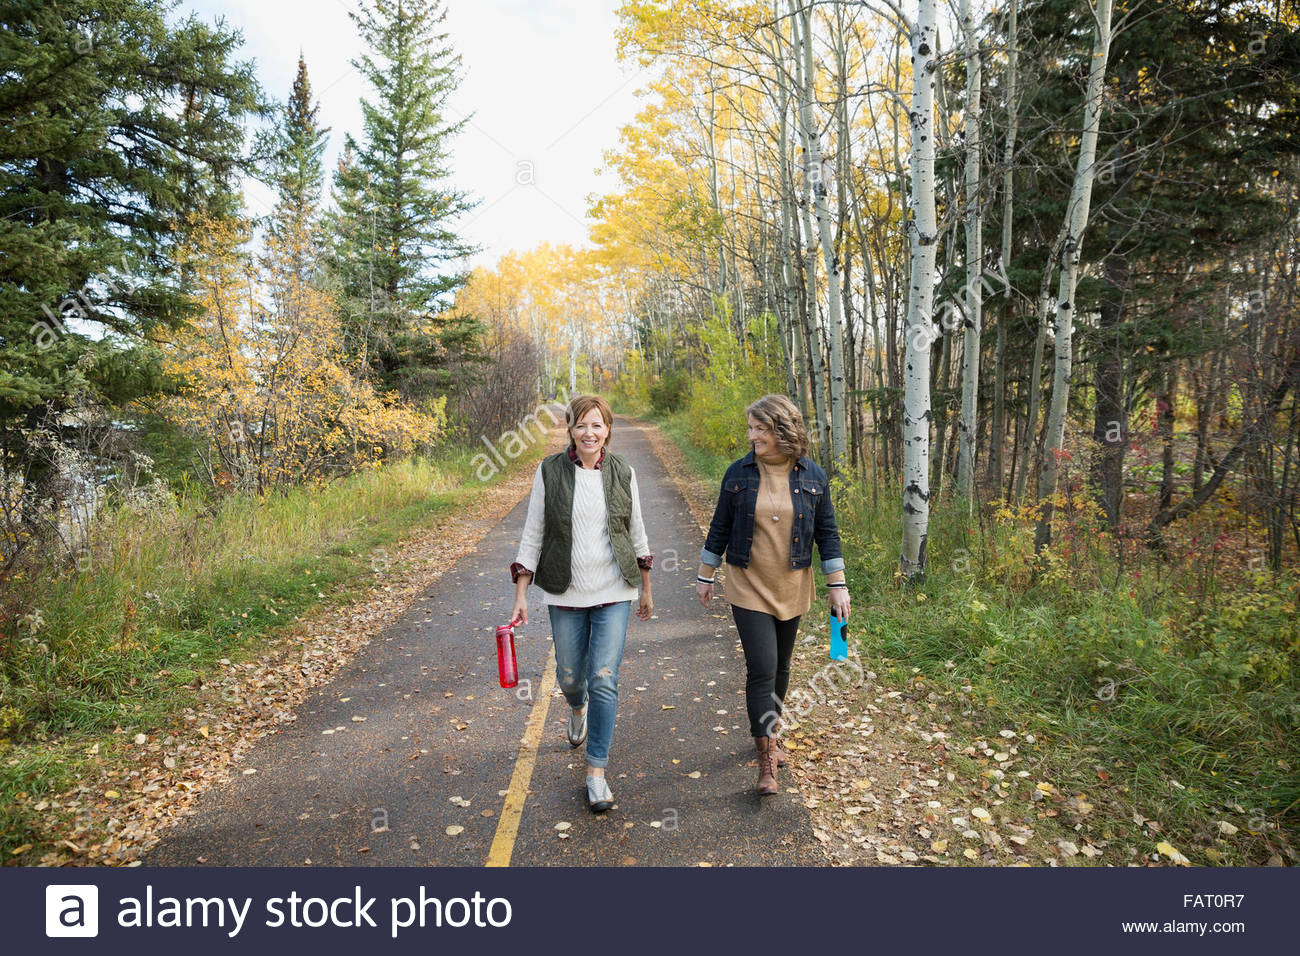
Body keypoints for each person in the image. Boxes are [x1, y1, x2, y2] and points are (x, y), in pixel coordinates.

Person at [696, 394, 850, 796]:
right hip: (748, 583)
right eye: (751, 429)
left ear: (781, 429)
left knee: (781, 667)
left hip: (792, 584)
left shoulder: (813, 475)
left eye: (759, 429)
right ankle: (765, 759)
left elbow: (827, 535)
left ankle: (772, 732)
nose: (752, 436)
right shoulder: (738, 474)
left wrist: (838, 585)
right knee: (762, 668)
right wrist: (705, 573)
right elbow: (720, 526)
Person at [509, 394, 653, 812]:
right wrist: (521, 593)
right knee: (572, 678)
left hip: (614, 589)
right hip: (565, 591)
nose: (589, 433)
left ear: (607, 429)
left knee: (604, 677)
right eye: (580, 426)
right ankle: (576, 708)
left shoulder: (623, 471)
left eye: (597, 425)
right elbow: (533, 533)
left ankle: (596, 773)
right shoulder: (550, 471)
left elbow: (636, 530)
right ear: (570, 430)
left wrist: (645, 586)